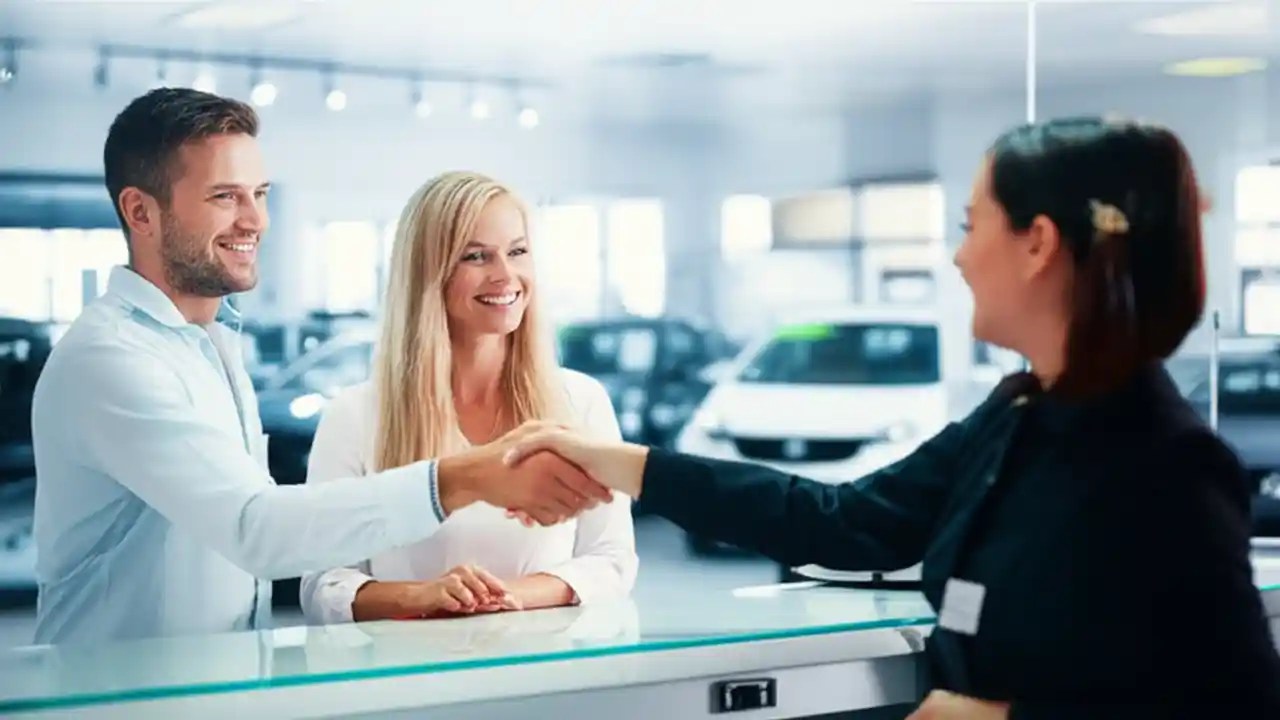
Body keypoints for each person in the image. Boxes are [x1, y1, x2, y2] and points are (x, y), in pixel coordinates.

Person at [503, 117, 1280, 717]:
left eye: (973, 226)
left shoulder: (1167, 465)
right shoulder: (1015, 419)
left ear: (1038, 243)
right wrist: (623, 465)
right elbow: (841, 520)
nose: (959, 258)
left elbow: (1228, 703)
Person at [30, 89, 611, 645]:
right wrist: (465, 478)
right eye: (225, 197)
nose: (255, 220)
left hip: (205, 688)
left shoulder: (211, 344)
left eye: (259, 193)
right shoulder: (112, 360)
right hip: (114, 698)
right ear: (141, 212)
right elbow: (256, 529)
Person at [299, 171, 637, 624]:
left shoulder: (580, 401)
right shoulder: (356, 416)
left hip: (545, 673)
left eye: (517, 252)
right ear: (429, 274)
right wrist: (423, 597)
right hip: (408, 679)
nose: (505, 275)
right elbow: (324, 584)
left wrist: (503, 597)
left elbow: (611, 561)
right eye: (476, 256)